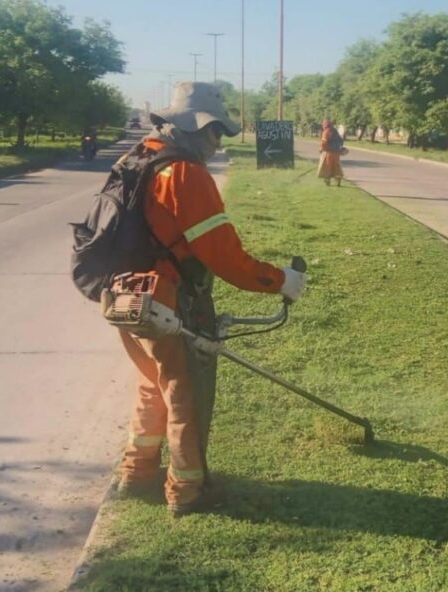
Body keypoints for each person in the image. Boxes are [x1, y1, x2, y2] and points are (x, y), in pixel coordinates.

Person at [117, 81, 306, 517]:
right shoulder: (183, 172)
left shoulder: (139, 156)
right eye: (217, 132)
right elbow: (224, 255)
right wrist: (280, 280)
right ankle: (187, 491)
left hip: (124, 297)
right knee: (186, 394)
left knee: (152, 384)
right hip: (166, 301)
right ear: (197, 127)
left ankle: (137, 472)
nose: (218, 143)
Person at [317, 119, 344, 187]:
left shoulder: (326, 132)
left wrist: (321, 148)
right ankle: (338, 180)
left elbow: (324, 142)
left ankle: (327, 181)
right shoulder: (335, 131)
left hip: (328, 153)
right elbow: (341, 141)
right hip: (336, 153)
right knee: (336, 167)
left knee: (327, 167)